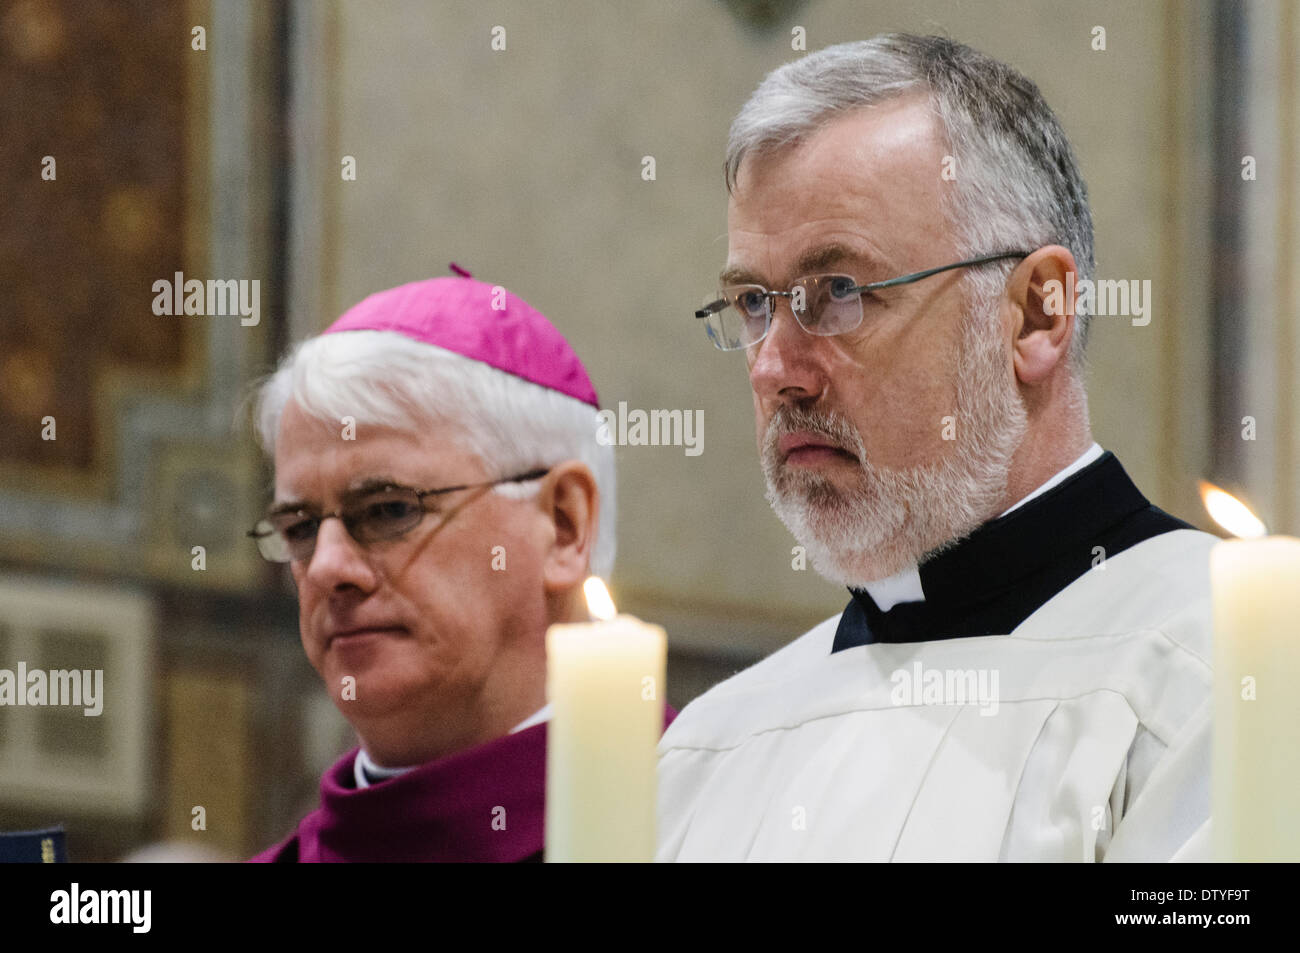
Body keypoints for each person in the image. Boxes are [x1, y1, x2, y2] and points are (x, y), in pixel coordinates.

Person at [658, 35, 1212, 861]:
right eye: (752, 303)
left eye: (837, 292)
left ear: (1036, 315)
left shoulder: (1225, 669)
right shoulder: (707, 749)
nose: (775, 367)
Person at [248, 268, 672, 862]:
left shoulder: (724, 824)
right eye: (300, 527)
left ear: (562, 524)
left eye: (389, 509)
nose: (326, 568)